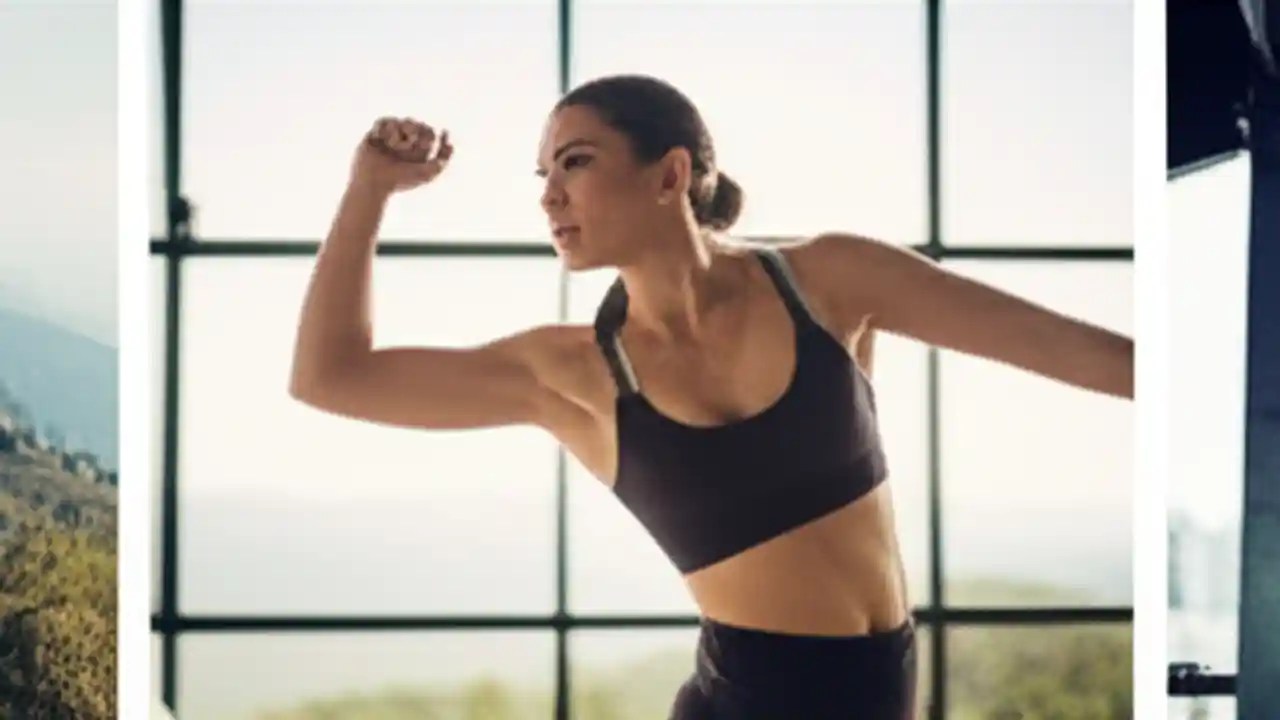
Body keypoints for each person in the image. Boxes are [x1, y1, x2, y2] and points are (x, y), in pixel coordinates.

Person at [288, 74, 1134, 719]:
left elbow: (1076, 351)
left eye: (576, 163)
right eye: (543, 173)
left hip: (883, 690)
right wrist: (370, 187)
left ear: (671, 174)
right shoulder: (572, 374)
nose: (549, 195)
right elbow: (331, 377)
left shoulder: (831, 279)